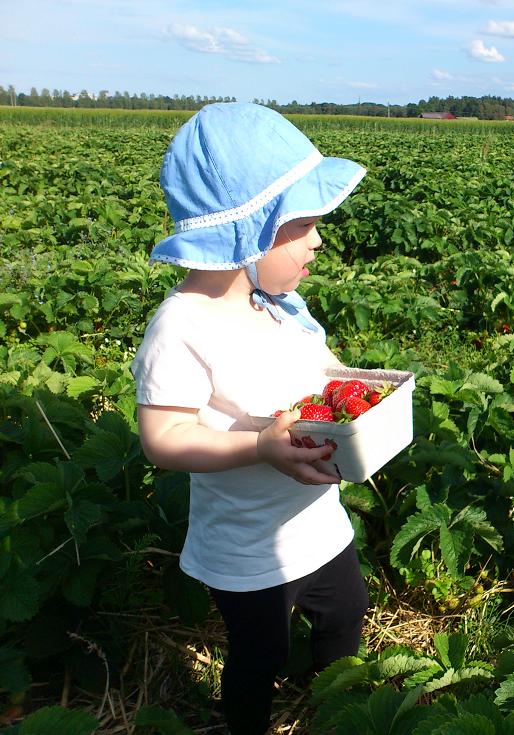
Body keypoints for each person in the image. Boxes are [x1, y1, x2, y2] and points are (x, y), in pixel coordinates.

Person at [131, 102, 369, 735]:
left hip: (319, 522)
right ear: (249, 231)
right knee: (259, 654)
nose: (319, 238)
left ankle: (335, 712)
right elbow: (163, 438)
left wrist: (361, 406)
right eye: (304, 224)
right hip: (247, 546)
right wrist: (258, 447)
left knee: (347, 617)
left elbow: (326, 377)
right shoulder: (181, 327)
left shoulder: (280, 305)